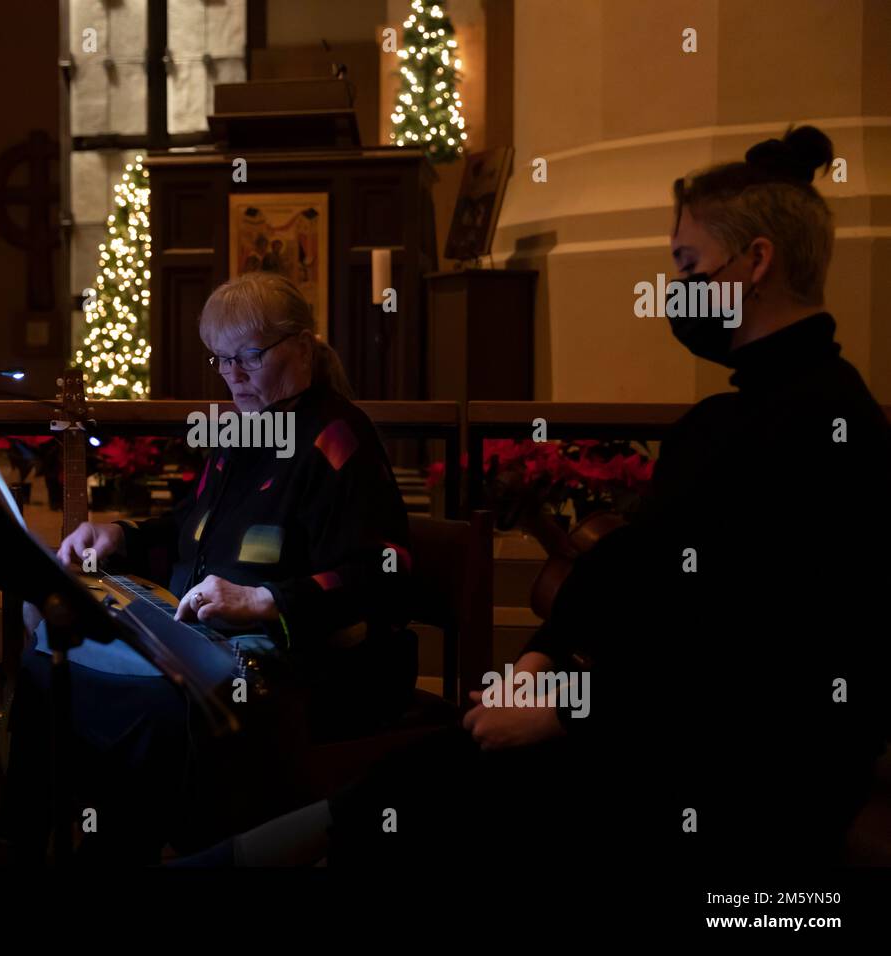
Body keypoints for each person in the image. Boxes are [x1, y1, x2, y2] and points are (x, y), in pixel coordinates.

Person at [179, 125, 891, 868]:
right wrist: (540, 659)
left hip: (742, 770)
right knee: (410, 784)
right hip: (649, 719)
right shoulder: (733, 417)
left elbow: (757, 656)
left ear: (756, 262)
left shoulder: (823, 428)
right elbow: (632, 569)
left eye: (686, 264)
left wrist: (567, 711)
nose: (673, 288)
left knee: (423, 804)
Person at [4, 270, 415, 864]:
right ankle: (30, 842)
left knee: (145, 703)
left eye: (248, 356)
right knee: (48, 659)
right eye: (220, 360)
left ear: (302, 345)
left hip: (308, 661)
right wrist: (117, 534)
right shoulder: (241, 430)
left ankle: (136, 850)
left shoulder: (339, 435)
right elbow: (188, 532)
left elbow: (385, 569)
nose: (233, 376)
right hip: (202, 636)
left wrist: (264, 600)